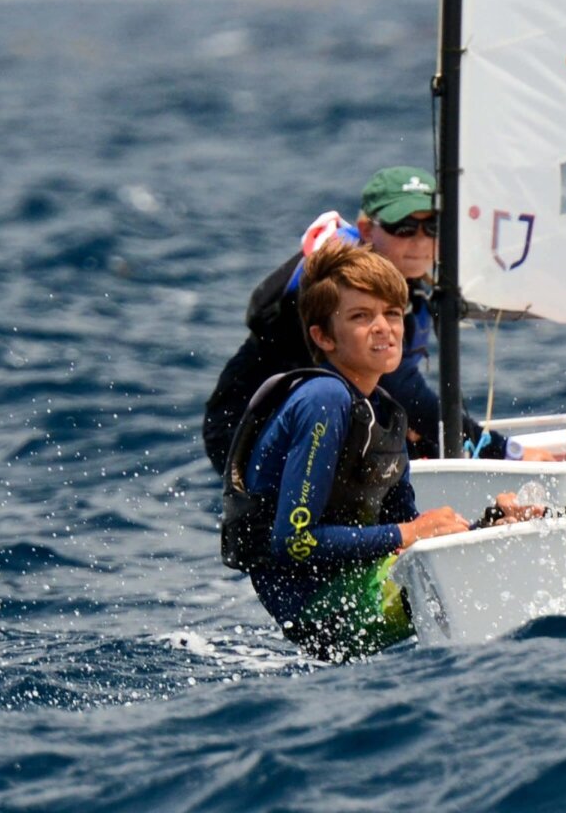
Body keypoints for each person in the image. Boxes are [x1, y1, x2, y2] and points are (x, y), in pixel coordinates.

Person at [219, 238, 542, 660]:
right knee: (476, 578)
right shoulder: (323, 400)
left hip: (361, 581)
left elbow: (405, 532)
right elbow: (294, 542)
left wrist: (488, 527)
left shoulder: (387, 413)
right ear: (323, 336)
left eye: (392, 313)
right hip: (320, 611)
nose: (383, 327)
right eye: (360, 316)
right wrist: (410, 533)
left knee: (504, 548)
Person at [202, 165, 551, 472]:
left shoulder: (405, 286)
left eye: (433, 227)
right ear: (367, 230)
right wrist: (505, 452)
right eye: (404, 227)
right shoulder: (344, 283)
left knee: (416, 440)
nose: (420, 241)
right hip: (246, 431)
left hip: (325, 419)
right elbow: (404, 390)